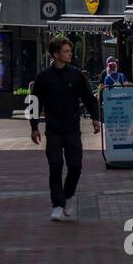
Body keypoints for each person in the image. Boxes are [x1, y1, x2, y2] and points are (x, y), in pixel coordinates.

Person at [29, 37, 101, 221]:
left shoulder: (76, 75)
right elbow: (33, 102)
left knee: (75, 166)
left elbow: (89, 98)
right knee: (55, 165)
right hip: (53, 129)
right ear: (56, 54)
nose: (70, 54)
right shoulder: (43, 77)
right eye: (66, 51)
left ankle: (67, 195)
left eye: (70, 51)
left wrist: (95, 118)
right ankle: (57, 205)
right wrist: (34, 127)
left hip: (72, 128)